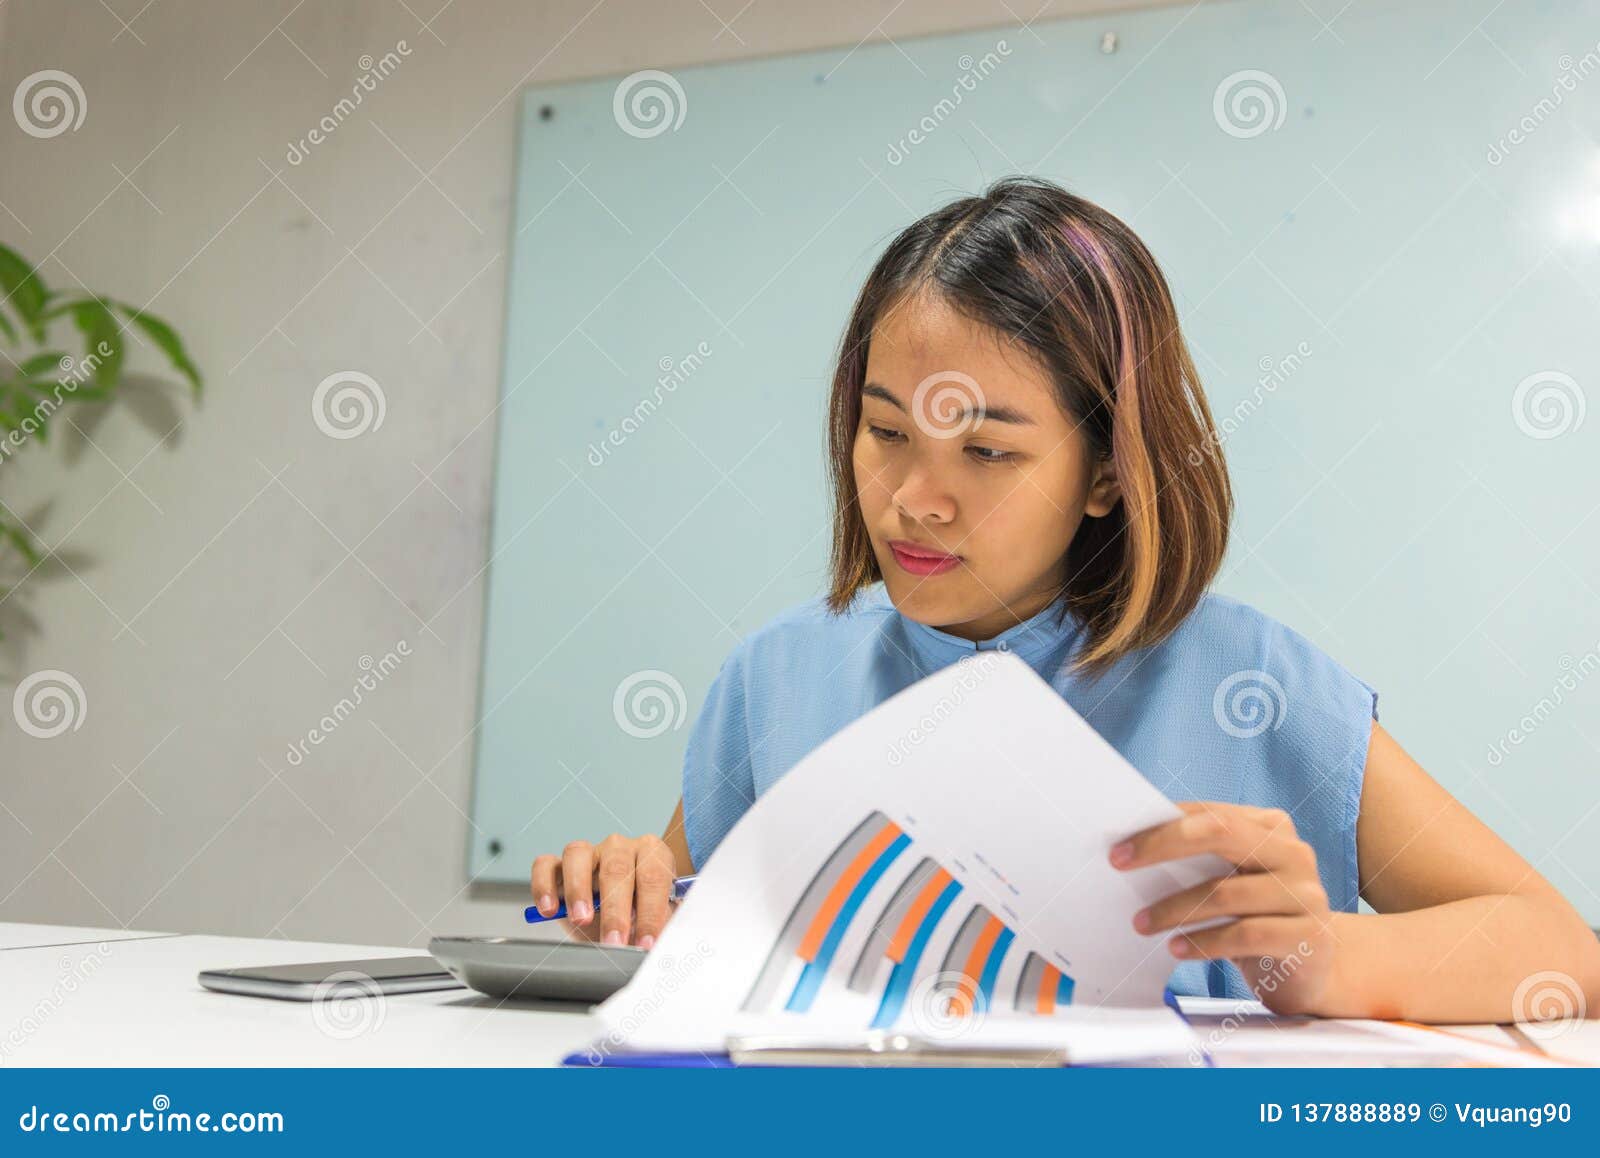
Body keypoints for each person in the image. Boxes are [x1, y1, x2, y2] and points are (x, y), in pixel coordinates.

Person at [530, 176, 1600, 1019]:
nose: (913, 499)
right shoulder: (775, 675)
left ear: (1106, 474)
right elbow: (682, 941)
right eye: (885, 430)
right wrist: (625, 890)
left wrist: (1319, 957)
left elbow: (1564, 955)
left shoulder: (1251, 680)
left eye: (987, 451)